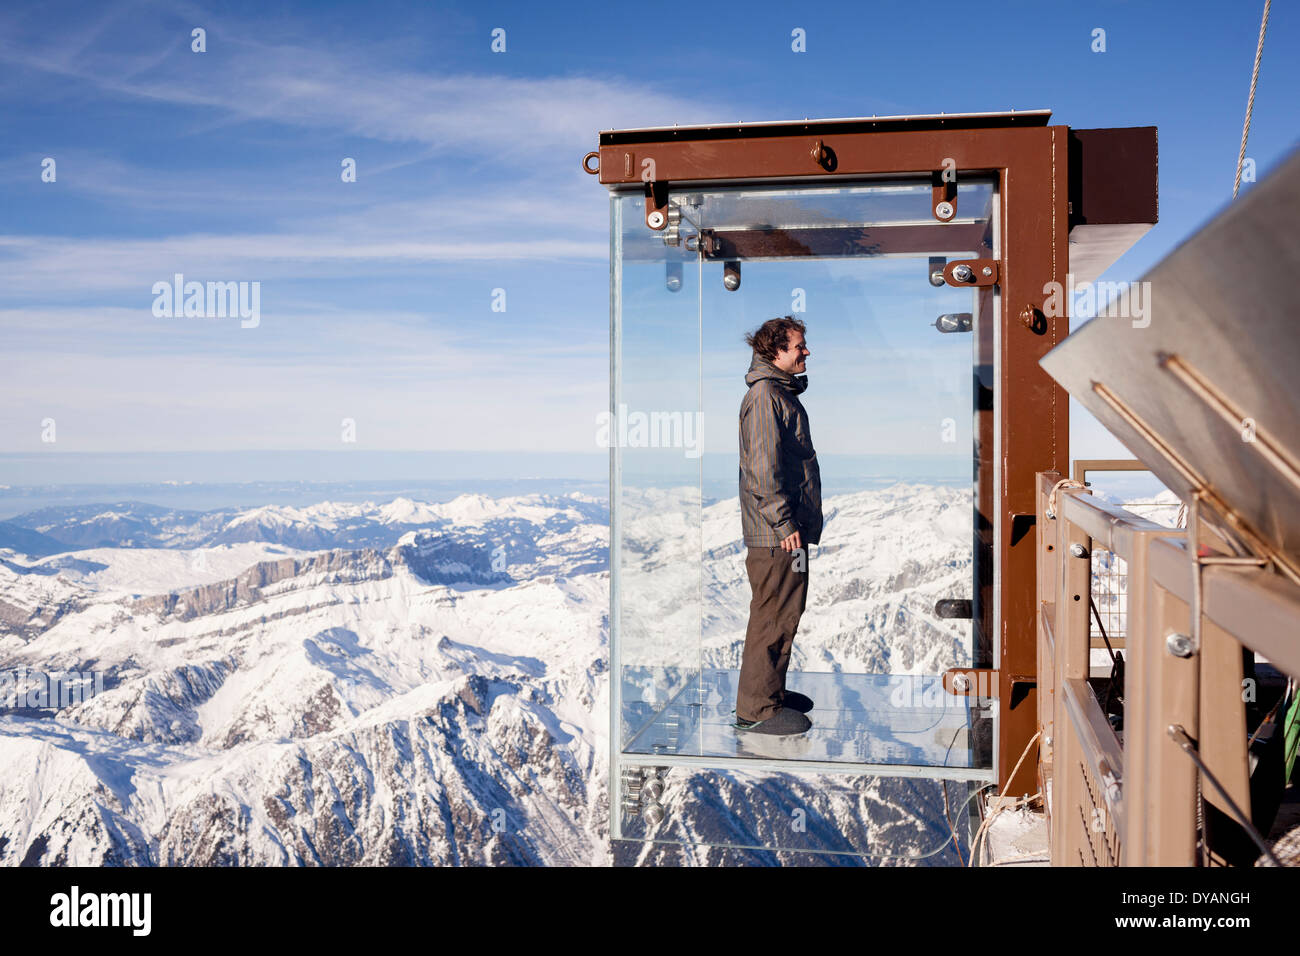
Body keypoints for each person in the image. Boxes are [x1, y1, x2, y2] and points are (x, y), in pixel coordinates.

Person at [734, 316, 823, 736]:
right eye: (799, 346)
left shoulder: (778, 395)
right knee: (773, 615)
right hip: (777, 535)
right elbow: (762, 469)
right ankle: (756, 710)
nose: (806, 352)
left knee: (786, 611)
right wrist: (783, 520)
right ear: (775, 351)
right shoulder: (766, 396)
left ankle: (771, 692)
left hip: (785, 532)